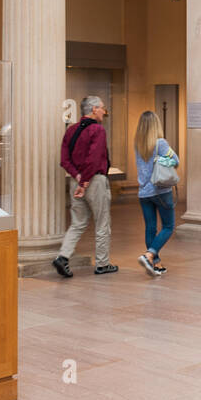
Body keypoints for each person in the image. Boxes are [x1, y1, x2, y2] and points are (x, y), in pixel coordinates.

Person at [54, 95, 117, 277]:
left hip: (76, 180)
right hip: (94, 181)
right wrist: (85, 181)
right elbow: (94, 158)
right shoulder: (98, 130)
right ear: (94, 109)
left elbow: (64, 160)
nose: (104, 112)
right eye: (102, 108)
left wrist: (77, 177)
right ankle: (102, 264)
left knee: (78, 223)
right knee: (102, 222)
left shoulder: (71, 130)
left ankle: (63, 256)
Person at [134, 110, 178, 277]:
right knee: (168, 226)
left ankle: (156, 264)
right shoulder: (160, 143)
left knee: (150, 228)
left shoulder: (137, 143)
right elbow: (176, 160)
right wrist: (162, 159)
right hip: (161, 190)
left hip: (144, 192)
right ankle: (149, 255)